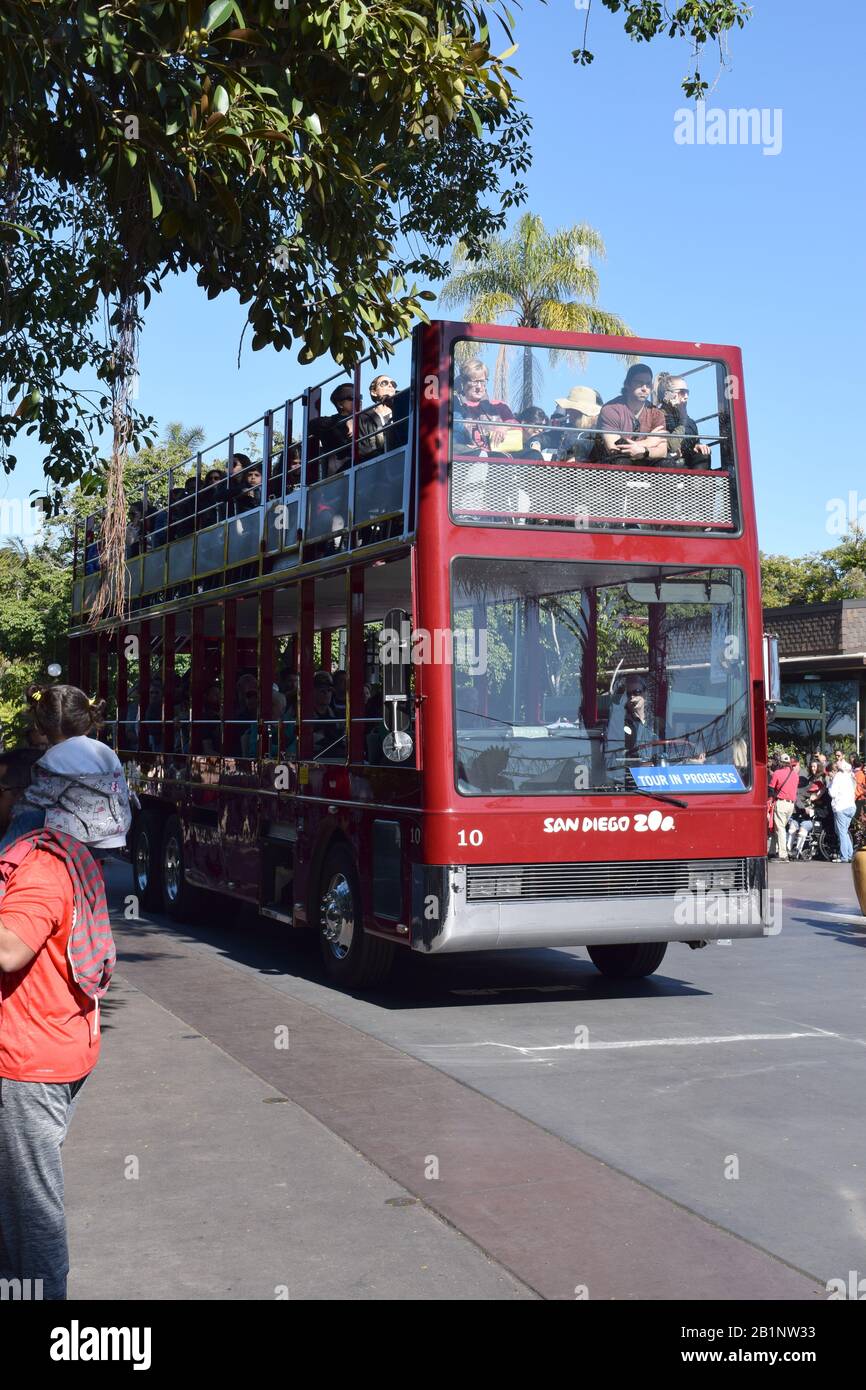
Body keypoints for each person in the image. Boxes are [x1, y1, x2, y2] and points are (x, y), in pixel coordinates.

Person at [0, 746, 115, 1302]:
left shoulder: (42, 867)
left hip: (27, 1064)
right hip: (59, 1047)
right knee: (14, 1211)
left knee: (29, 1216)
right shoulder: (74, 856)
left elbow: (8, 950)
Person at [0, 687, 132, 857]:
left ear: (39, 726)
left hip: (83, 836)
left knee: (26, 819)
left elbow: (35, 800)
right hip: (116, 835)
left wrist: (15, 813)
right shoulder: (105, 751)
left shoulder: (55, 758)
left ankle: (3, 861)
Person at [596, 363, 668, 463]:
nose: (644, 388)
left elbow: (662, 451)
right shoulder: (610, 409)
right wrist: (649, 442)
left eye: (648, 384)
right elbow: (613, 449)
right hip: (612, 466)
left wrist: (644, 452)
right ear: (627, 384)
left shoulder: (656, 414)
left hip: (645, 459)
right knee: (621, 461)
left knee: (665, 463)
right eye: (639, 383)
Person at [654, 372, 712, 467]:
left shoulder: (690, 423)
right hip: (664, 467)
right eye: (682, 392)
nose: (686, 396)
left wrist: (697, 446)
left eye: (687, 392)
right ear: (667, 395)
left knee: (703, 456)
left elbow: (693, 443)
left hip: (686, 471)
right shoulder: (656, 417)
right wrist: (683, 419)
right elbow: (672, 446)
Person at [308, 384, 355, 479]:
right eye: (352, 398)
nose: (358, 400)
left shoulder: (366, 418)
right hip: (338, 477)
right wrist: (345, 420)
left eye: (359, 397)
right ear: (340, 404)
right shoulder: (330, 423)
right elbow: (312, 425)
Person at [553, 386, 602, 461]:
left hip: (587, 471)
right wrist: (536, 444)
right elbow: (546, 438)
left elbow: (597, 454)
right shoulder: (566, 429)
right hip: (562, 470)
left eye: (571, 408)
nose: (567, 410)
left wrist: (578, 460)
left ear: (581, 412)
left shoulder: (599, 432)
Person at [357, 375, 398, 460]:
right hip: (377, 464)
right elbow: (364, 449)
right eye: (384, 383)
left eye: (393, 384)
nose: (390, 385)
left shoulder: (402, 410)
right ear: (374, 392)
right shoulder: (363, 417)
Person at [768, 754, 800, 860]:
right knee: (779, 827)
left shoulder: (777, 773)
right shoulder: (795, 775)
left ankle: (782, 854)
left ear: (780, 762)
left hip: (781, 803)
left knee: (780, 828)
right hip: (791, 805)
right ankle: (773, 850)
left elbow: (771, 789)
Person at [828, 750, 856, 862]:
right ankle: (850, 855)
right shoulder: (848, 776)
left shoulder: (837, 777)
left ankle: (845, 856)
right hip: (851, 806)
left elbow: (832, 793)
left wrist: (830, 785)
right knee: (844, 832)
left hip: (841, 807)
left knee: (842, 833)